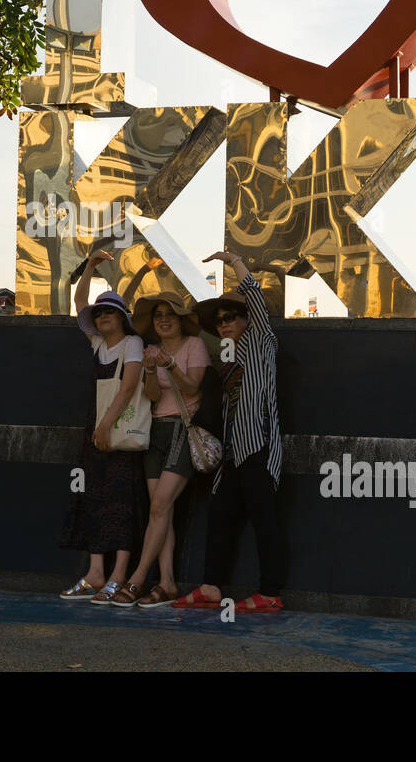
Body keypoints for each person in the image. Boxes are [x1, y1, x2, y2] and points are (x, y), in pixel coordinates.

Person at [174, 251, 285, 613]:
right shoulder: (230, 357)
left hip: (259, 445)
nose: (223, 325)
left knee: (264, 520)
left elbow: (254, 296)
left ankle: (270, 592)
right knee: (220, 517)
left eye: (229, 318)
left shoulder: (260, 343)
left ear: (245, 319)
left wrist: (234, 260)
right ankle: (209, 586)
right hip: (233, 452)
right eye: (218, 321)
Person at [110, 292, 211, 609]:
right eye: (158, 315)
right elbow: (152, 396)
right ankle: (167, 583)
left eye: (170, 314)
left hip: (183, 428)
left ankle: (138, 578)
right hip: (154, 432)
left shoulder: (195, 346)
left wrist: (169, 364)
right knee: (159, 509)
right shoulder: (150, 350)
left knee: (159, 507)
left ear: (181, 319)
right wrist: (153, 370)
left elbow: (193, 387)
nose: (164, 319)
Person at [58, 250, 147, 606]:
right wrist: (90, 267)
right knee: (93, 498)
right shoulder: (97, 344)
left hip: (117, 429)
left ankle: (118, 574)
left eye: (110, 310)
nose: (103, 315)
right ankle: (96, 572)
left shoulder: (133, 343)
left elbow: (129, 386)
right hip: (95, 431)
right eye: (100, 312)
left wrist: (106, 424)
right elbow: (79, 300)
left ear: (123, 317)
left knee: (122, 501)